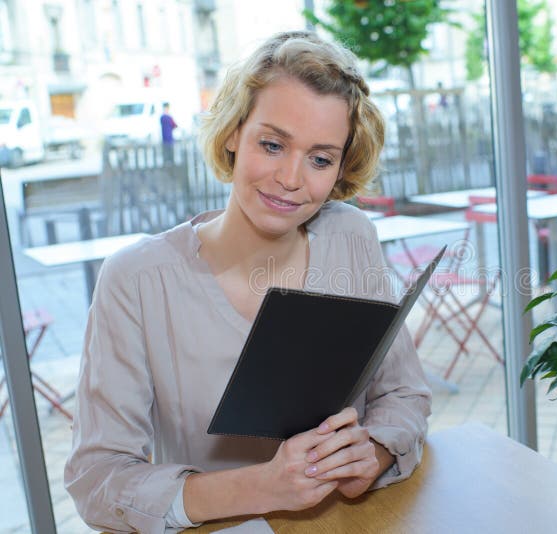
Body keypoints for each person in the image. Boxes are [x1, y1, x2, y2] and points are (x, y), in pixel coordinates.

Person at [65, 30, 432, 533]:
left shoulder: (350, 235)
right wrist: (262, 486)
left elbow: (405, 393)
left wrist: (374, 449)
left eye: (320, 158)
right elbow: (97, 480)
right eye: (273, 144)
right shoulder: (137, 279)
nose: (291, 178)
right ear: (234, 132)